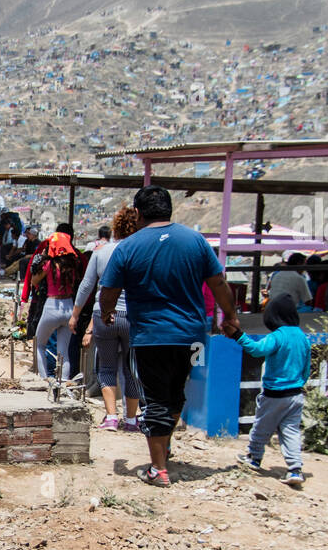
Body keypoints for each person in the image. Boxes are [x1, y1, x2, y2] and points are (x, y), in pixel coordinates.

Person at [99, 185, 240, 487]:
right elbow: (218, 283)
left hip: (151, 337)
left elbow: (109, 290)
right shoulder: (195, 241)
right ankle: (164, 445)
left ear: (137, 213)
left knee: (154, 398)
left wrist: (107, 312)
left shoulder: (128, 246)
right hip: (192, 337)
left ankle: (158, 468)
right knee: (176, 392)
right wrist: (230, 316)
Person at [73, 213, 143, 430]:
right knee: (132, 369)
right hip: (133, 316)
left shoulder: (101, 253)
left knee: (106, 367)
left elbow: (86, 285)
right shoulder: (141, 253)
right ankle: (131, 419)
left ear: (116, 228)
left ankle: (111, 417)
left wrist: (75, 315)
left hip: (104, 315)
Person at [232, 294, 311, 486]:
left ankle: (254, 458)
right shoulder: (303, 337)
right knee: (291, 432)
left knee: (262, 427)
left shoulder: (278, 336)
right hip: (296, 394)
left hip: (275, 393)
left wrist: (238, 335)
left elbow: (257, 350)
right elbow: (307, 368)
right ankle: (294, 470)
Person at [32, 228, 80, 381]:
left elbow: (34, 281)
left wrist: (45, 255)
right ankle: (64, 382)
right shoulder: (73, 265)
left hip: (52, 305)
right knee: (63, 351)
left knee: (39, 344)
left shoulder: (49, 264)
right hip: (69, 306)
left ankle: (45, 379)